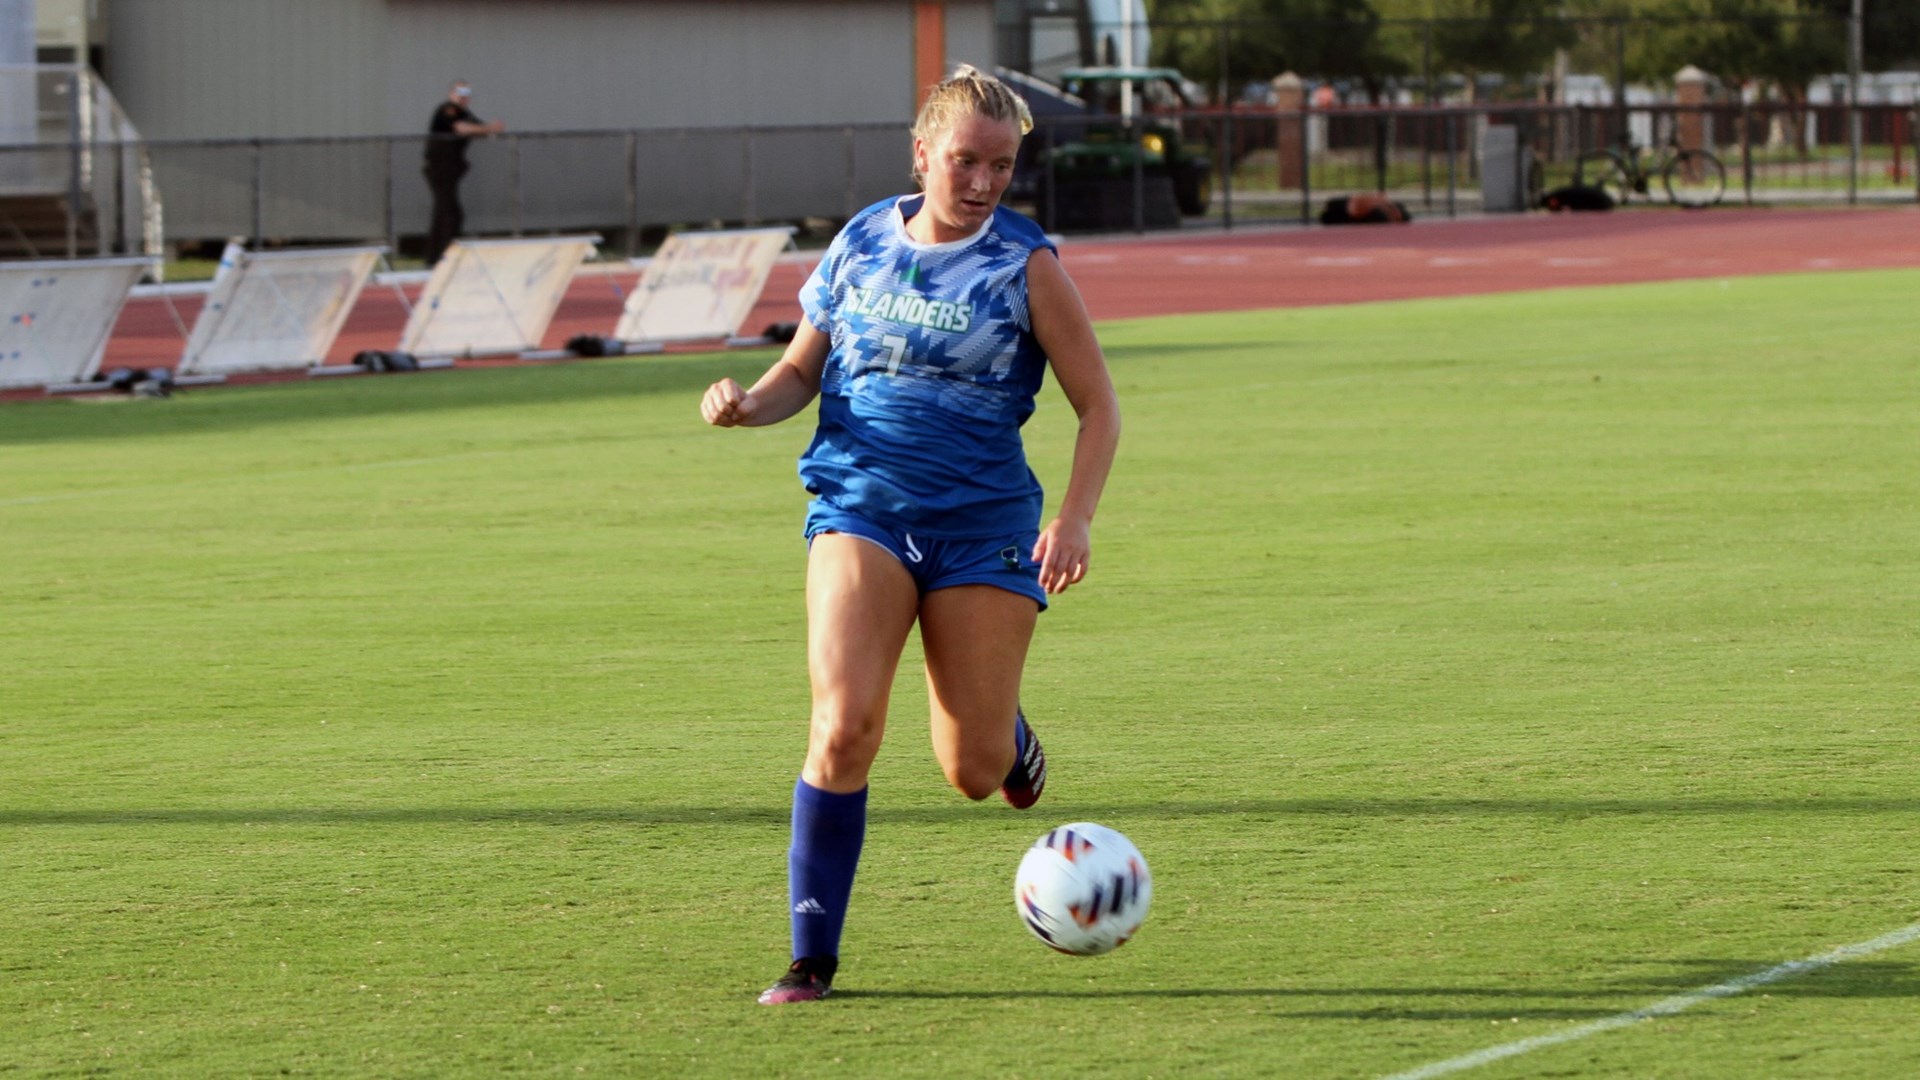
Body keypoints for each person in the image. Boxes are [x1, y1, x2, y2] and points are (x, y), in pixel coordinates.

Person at [699, 64, 1121, 1006]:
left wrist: (1076, 513)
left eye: (1002, 167)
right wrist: (747, 405)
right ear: (922, 152)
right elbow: (801, 373)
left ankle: (1004, 728)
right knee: (843, 725)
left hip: (983, 529)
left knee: (973, 773)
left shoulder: (1026, 263)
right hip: (861, 508)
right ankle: (813, 961)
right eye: (965, 161)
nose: (982, 184)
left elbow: (1098, 406)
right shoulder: (858, 243)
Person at [422, 80, 504, 267]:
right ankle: (440, 256)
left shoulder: (465, 113)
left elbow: (479, 127)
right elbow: (461, 128)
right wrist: (488, 128)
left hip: (452, 168)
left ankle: (439, 256)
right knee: (448, 212)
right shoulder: (448, 109)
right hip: (439, 166)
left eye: (466, 93)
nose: (462, 97)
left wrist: (491, 128)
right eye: (459, 93)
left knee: (448, 211)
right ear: (451, 93)